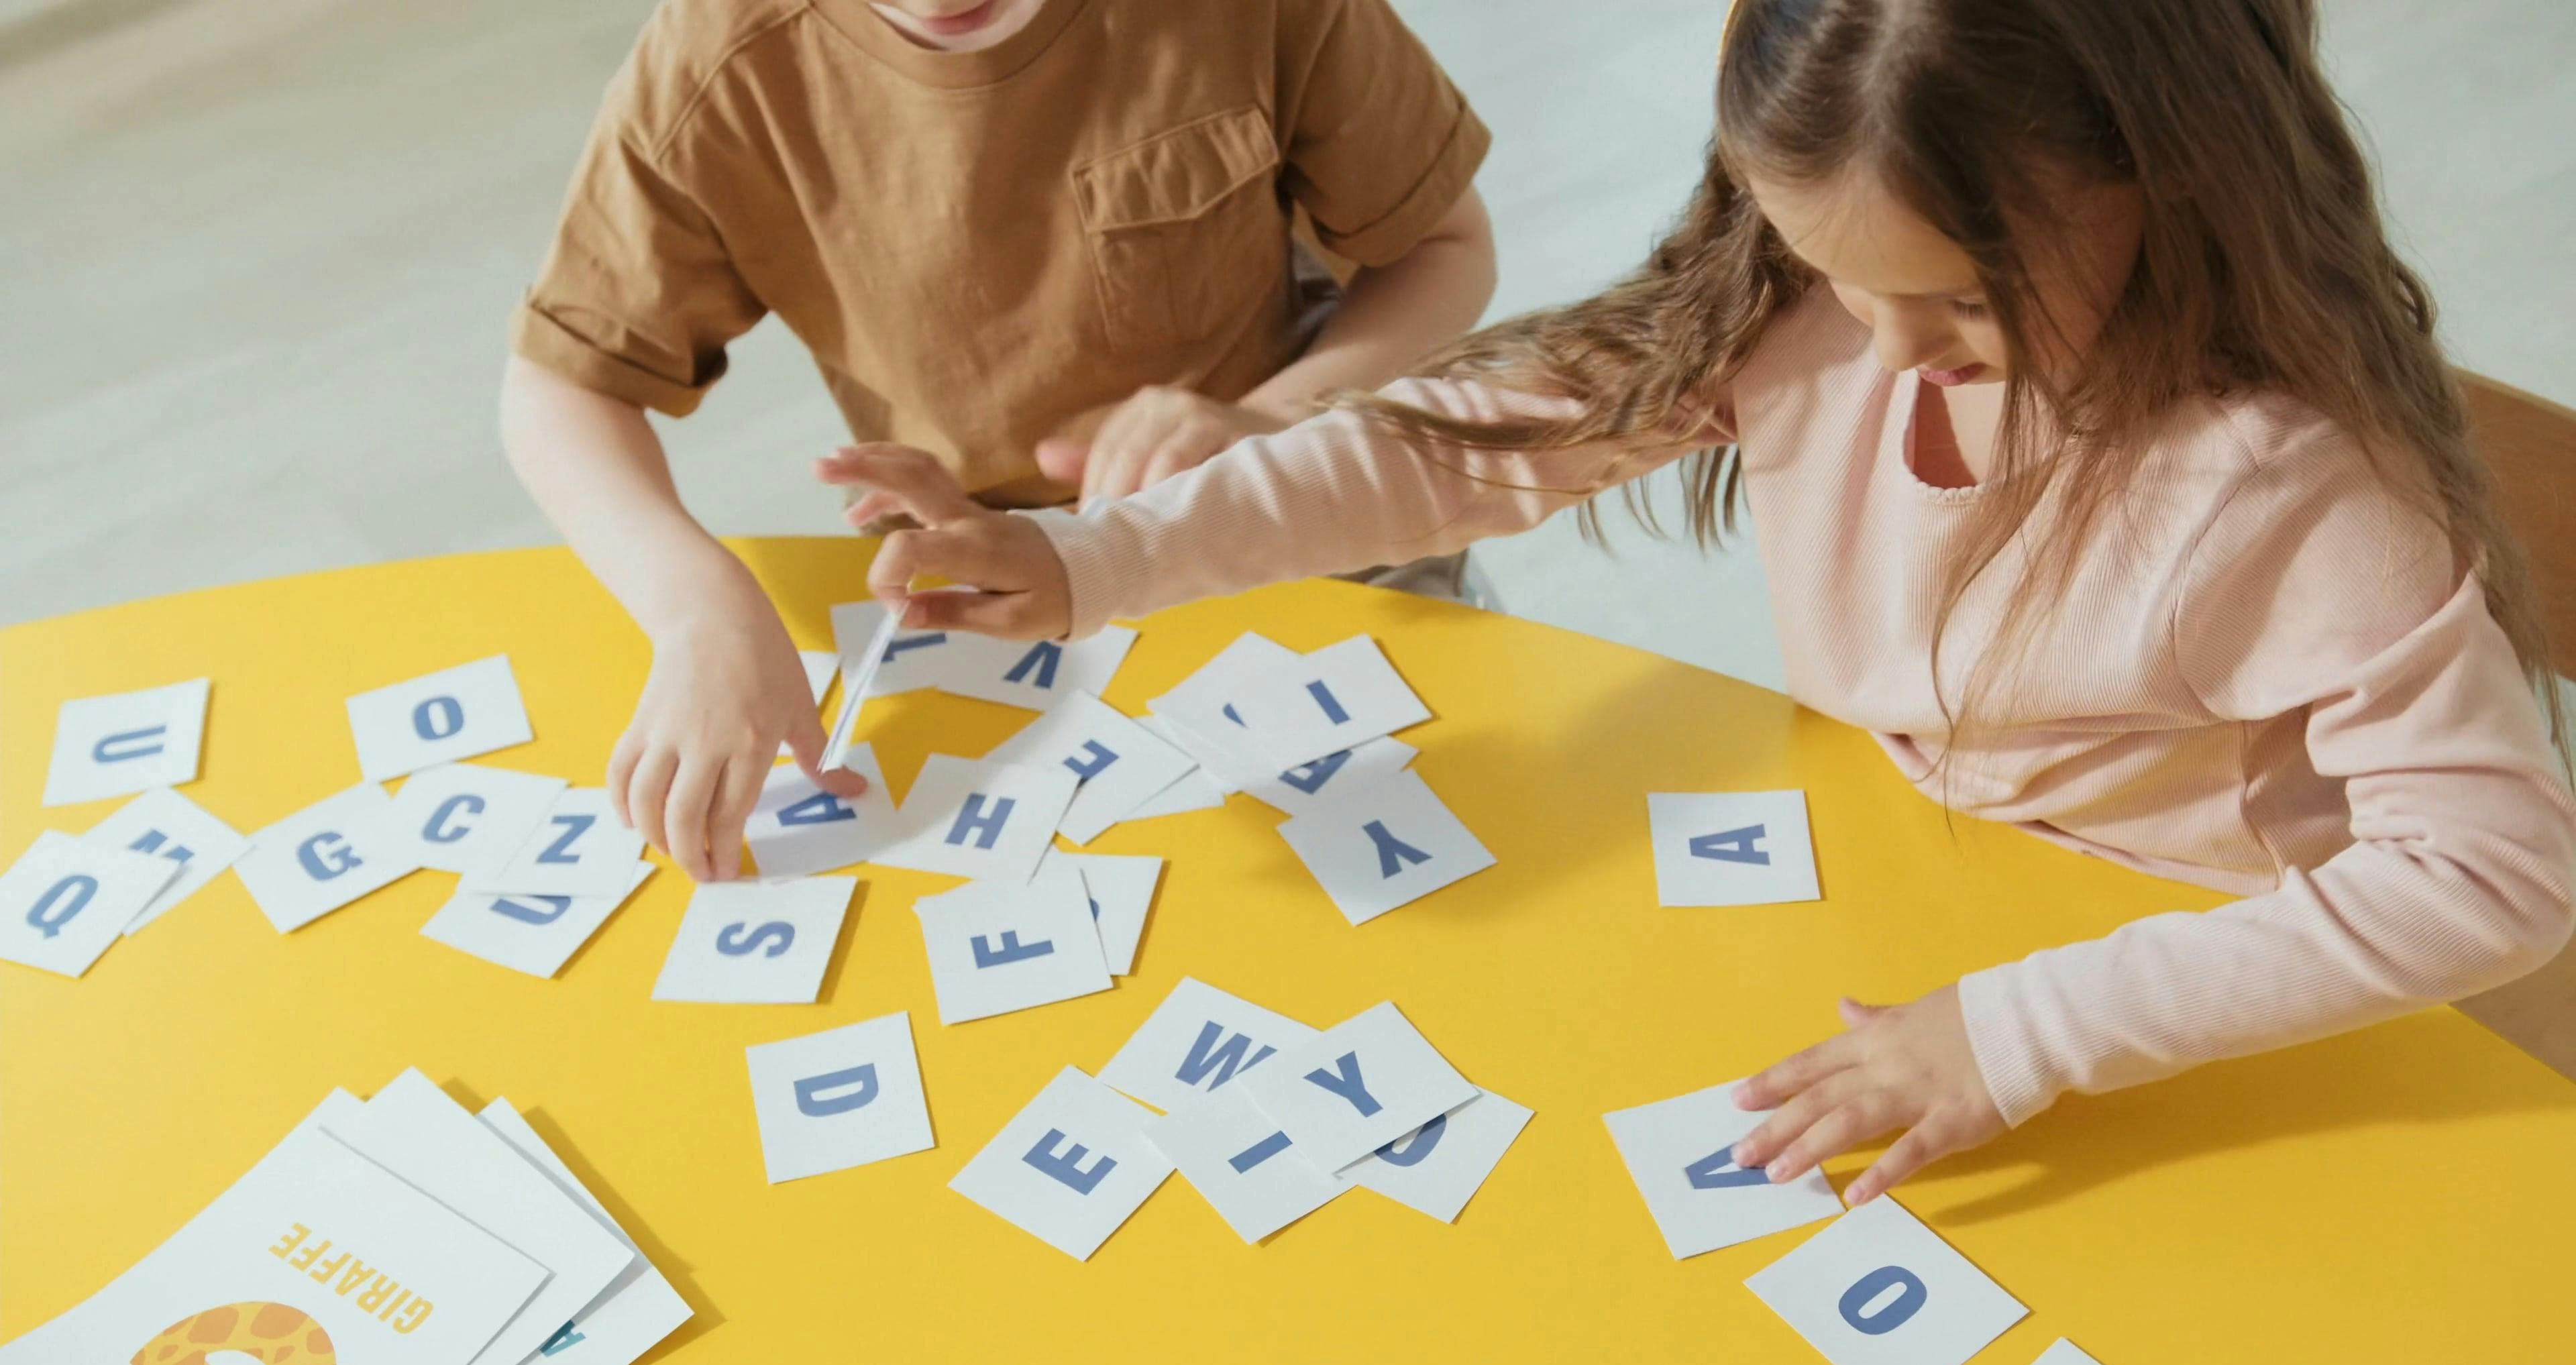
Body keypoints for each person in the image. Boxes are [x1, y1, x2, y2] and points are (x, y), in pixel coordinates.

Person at [835, 0, 2576, 1201]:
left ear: (2169, 185)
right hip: (1984, 926)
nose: (1883, 357)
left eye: (1961, 307)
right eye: (1835, 277)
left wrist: (2015, 1032)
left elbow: (2495, 872)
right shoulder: (1801, 304)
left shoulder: (2287, 484)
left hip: (2319, 1021)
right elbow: (1460, 450)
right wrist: (1095, 561)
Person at [500, 0, 1498, 880]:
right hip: (995, 588)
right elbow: (556, 390)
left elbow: (1447, 249)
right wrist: (698, 611)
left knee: (1455, 834)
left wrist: (1273, 422)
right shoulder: (719, 59)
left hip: (1306, 524)